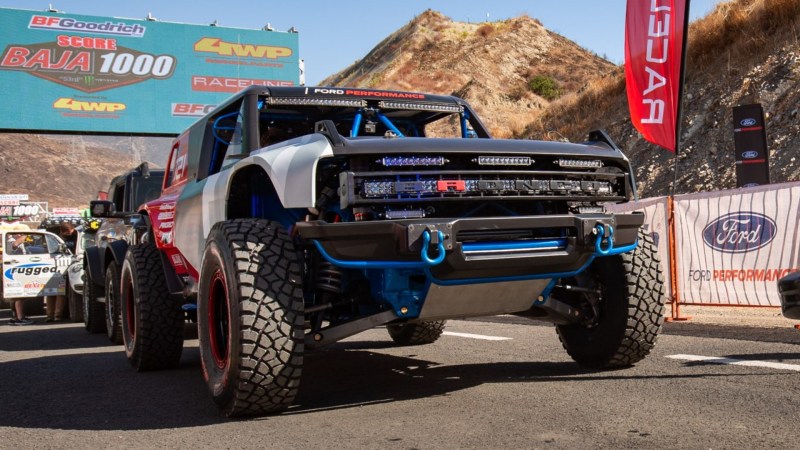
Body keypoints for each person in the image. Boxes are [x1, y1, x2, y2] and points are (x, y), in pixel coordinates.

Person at [45, 222, 76, 322]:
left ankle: (57, 315)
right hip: (55, 266)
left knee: (61, 292)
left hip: (69, 265)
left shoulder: (75, 237)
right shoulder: (54, 238)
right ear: (62, 232)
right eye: (68, 233)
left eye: (71, 232)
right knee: (52, 292)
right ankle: (50, 315)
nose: (70, 234)